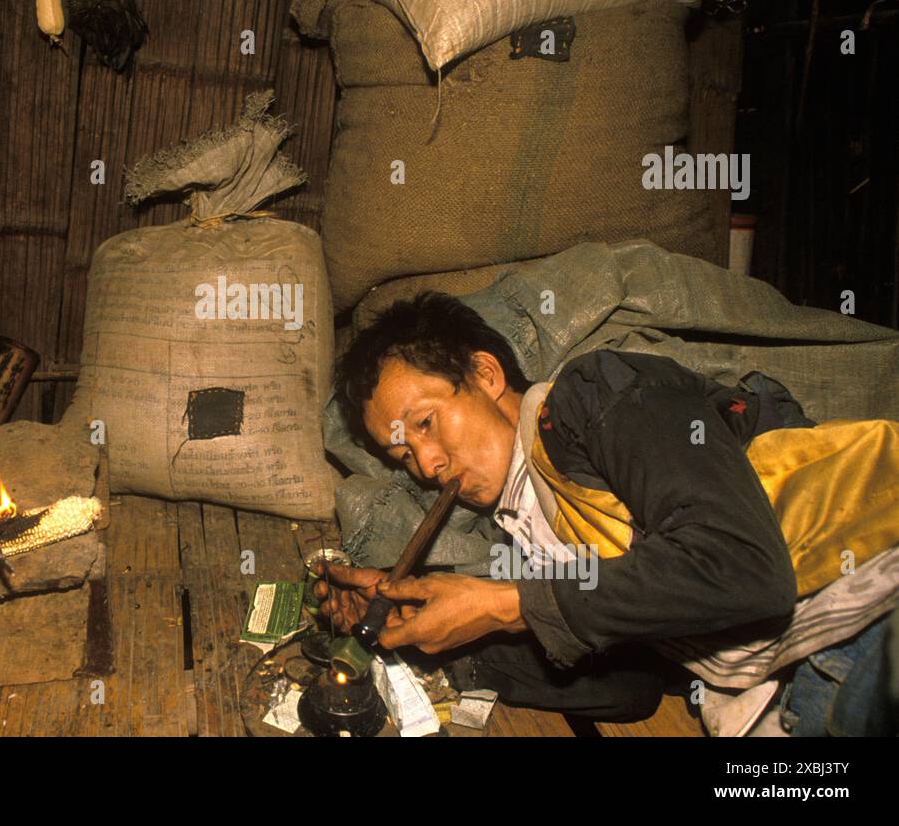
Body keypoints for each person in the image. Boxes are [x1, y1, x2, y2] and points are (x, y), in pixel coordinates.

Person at [316, 292, 899, 730]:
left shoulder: (594, 394)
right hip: (803, 691)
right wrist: (417, 631)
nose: (427, 463)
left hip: (871, 611)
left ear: (486, 375)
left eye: (425, 424)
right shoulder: (535, 526)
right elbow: (631, 686)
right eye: (404, 454)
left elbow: (742, 566)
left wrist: (507, 605)